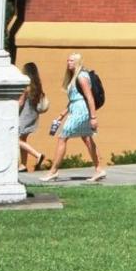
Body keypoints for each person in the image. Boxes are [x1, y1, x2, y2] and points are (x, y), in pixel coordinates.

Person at [43, 52, 108, 181]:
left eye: (72, 61)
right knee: (87, 139)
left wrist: (93, 117)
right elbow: (74, 99)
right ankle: (99, 169)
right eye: (68, 60)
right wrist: (62, 115)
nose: (68, 63)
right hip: (77, 109)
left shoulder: (81, 77)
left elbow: (89, 97)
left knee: (62, 137)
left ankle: (53, 171)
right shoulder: (75, 77)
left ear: (78, 62)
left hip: (81, 111)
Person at [16, 60, 48, 171]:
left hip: (23, 116)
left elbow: (20, 103)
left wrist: (12, 112)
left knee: (15, 139)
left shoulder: (26, 86)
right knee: (22, 140)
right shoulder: (37, 86)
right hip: (32, 116)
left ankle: (37, 155)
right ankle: (23, 165)